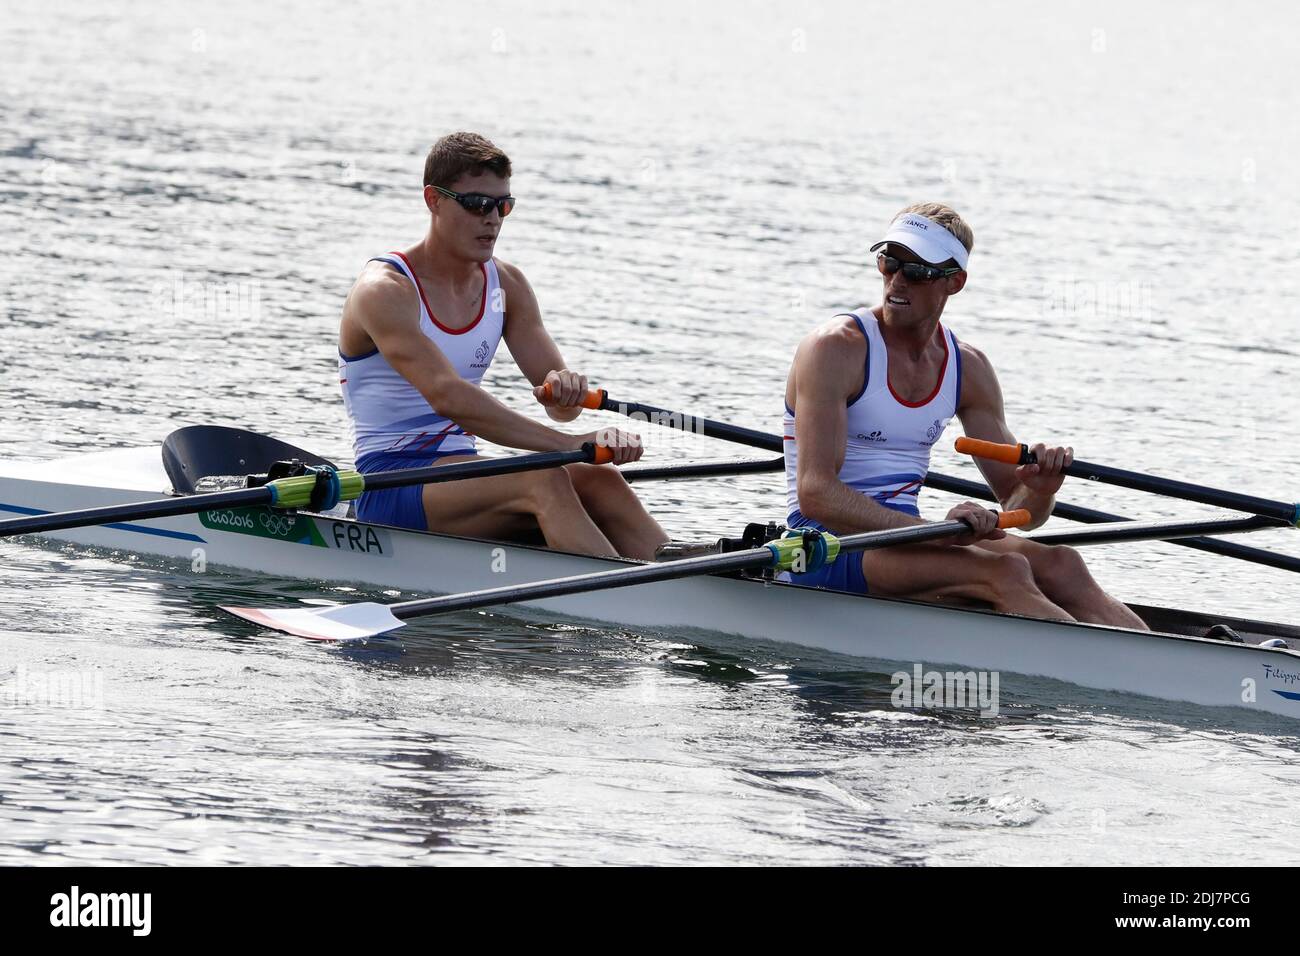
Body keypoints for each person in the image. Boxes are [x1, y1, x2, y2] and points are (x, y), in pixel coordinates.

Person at [782, 202, 1147, 627]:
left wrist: (1041, 489)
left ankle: (1163, 668)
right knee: (1005, 571)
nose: (897, 280)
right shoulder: (835, 349)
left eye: (917, 271)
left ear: (955, 282)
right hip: (826, 545)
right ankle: (1119, 673)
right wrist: (932, 531)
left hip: (907, 537)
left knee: (1063, 564)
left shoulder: (968, 368)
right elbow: (816, 492)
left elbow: (1022, 509)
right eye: (890, 262)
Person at [338, 132, 668, 559]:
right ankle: (630, 602)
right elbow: (447, 395)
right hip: (390, 481)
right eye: (477, 204)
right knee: (543, 479)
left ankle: (694, 582)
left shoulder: (507, 285)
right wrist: (568, 445)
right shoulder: (384, 291)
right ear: (433, 200)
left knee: (600, 477)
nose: (492, 219)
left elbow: (562, 408)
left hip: (459, 475)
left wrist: (564, 388)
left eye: (503, 205)